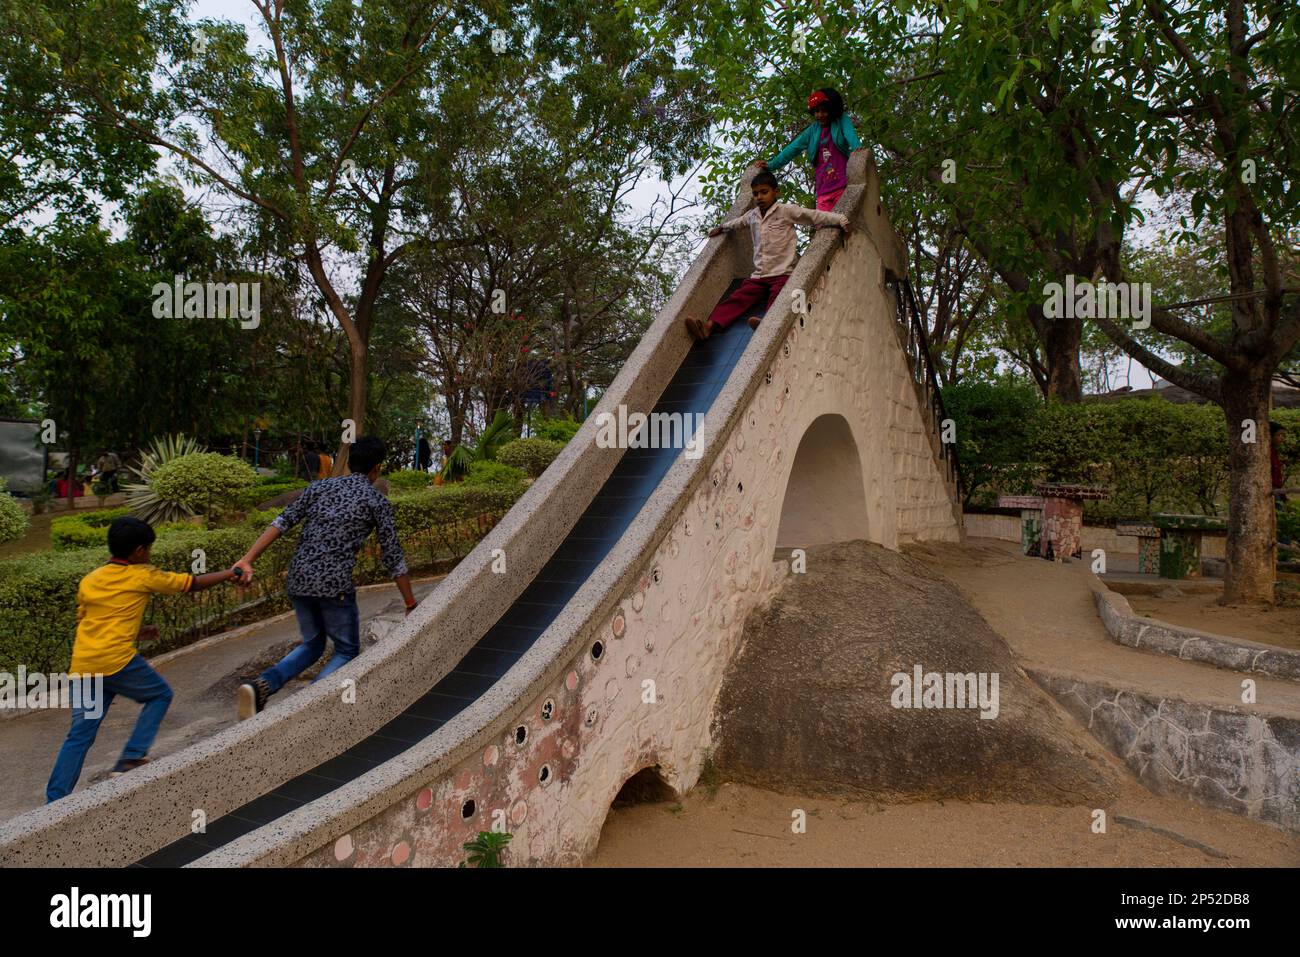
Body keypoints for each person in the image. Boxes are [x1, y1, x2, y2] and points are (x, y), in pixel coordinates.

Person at [46, 517, 244, 801]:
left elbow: (93, 621)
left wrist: (138, 632)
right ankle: (132, 756)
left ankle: (55, 799)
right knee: (160, 695)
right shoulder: (143, 574)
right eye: (148, 549)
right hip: (117, 661)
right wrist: (231, 572)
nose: (149, 554)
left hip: (85, 665)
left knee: (80, 735)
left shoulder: (90, 580)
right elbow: (192, 583)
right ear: (139, 551)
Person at [234, 436, 417, 719]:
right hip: (334, 585)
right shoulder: (375, 501)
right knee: (346, 650)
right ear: (376, 469)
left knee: (314, 643)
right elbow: (393, 559)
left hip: (298, 579)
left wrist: (247, 559)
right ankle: (309, 708)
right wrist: (410, 603)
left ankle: (261, 687)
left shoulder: (319, 488)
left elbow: (281, 523)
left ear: (348, 462)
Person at [683, 169, 851, 341]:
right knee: (738, 298)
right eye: (756, 194)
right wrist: (722, 227)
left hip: (783, 273)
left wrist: (839, 219)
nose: (759, 197)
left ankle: (767, 326)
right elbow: (738, 222)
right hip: (760, 275)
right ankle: (708, 326)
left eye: (764, 192)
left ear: (775, 192)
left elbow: (813, 216)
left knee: (779, 296)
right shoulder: (752, 215)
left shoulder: (786, 211)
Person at [759, 87, 861, 212]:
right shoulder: (812, 131)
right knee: (823, 226)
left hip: (843, 185)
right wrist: (771, 165)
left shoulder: (840, 121)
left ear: (831, 110)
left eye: (824, 111)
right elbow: (792, 149)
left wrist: (858, 150)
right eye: (816, 111)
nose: (820, 115)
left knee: (844, 222)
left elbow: (850, 134)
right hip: (823, 190)